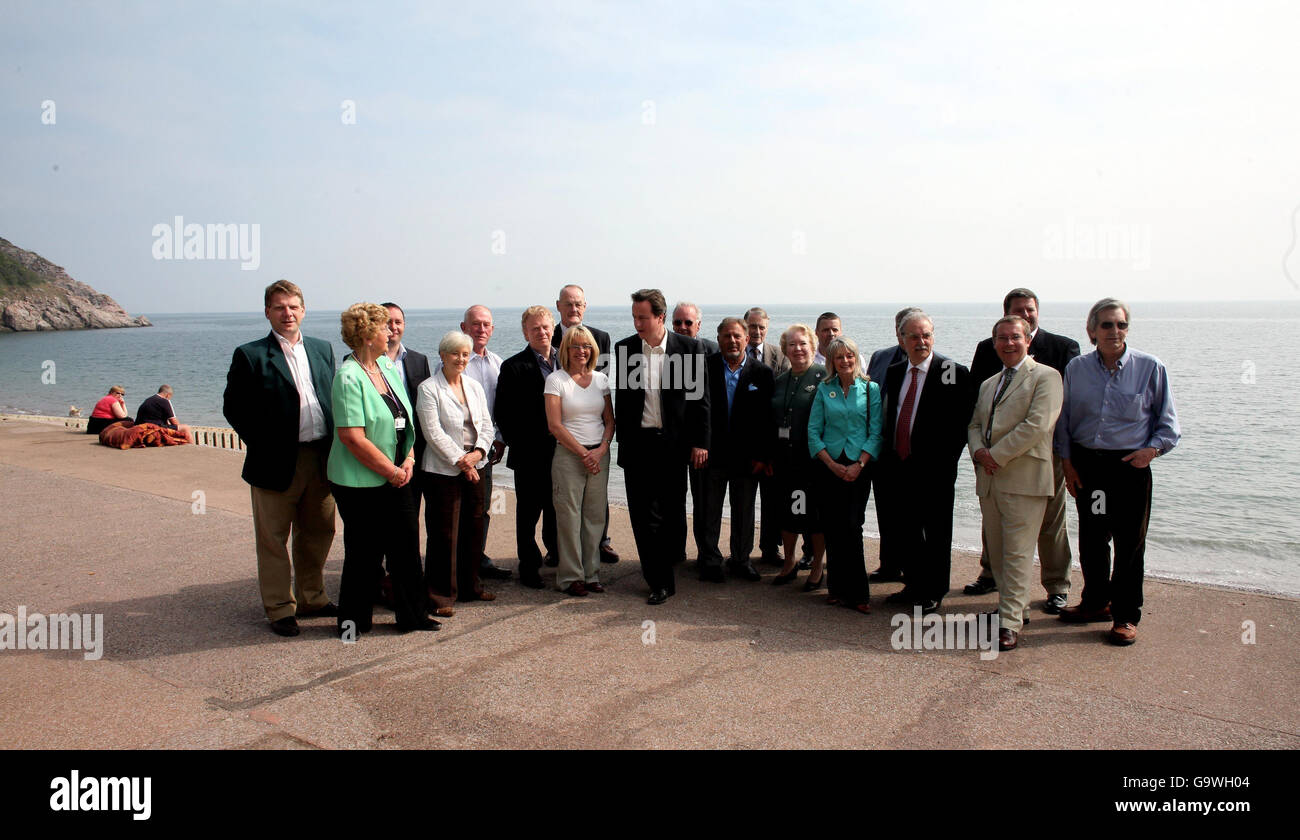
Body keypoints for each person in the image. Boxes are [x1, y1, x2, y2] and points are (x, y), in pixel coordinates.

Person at [1055, 299, 1180, 646]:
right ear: (1091, 330)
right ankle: (1095, 603)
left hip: (1129, 470)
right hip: (1090, 469)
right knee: (1093, 540)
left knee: (1129, 545)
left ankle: (1125, 615)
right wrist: (1067, 464)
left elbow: (1168, 425)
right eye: (1107, 325)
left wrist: (1151, 451)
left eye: (1121, 325)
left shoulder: (1150, 367)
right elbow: (1064, 422)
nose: (1115, 331)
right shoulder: (1076, 369)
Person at [223, 279, 337, 637]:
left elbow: (329, 396)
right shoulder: (251, 354)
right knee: (273, 538)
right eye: (279, 307)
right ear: (268, 312)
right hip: (274, 462)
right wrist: (263, 442)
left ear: (303, 310)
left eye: (293, 306)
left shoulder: (322, 349)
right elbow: (234, 408)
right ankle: (279, 607)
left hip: (321, 457)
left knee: (319, 531)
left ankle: (312, 597)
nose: (287, 313)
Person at [964, 288, 1080, 607]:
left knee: (1051, 523)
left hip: (1043, 454)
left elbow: (1062, 408)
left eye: (1030, 309)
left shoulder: (1063, 347)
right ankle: (992, 576)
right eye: (1019, 310)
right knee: (996, 523)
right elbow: (977, 400)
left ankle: (1057, 585)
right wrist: (982, 452)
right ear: (1005, 314)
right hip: (991, 458)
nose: (1026, 314)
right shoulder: (988, 348)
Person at [327, 303, 436, 635]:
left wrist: (410, 459)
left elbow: (405, 420)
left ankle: (413, 616)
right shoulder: (348, 377)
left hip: (399, 474)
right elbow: (352, 437)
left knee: (405, 549)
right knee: (364, 553)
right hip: (360, 481)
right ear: (366, 333)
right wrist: (390, 471)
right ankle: (353, 623)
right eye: (383, 326)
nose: (391, 330)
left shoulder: (386, 368)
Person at [967, 316, 1063, 652]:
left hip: (1024, 478)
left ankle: (1008, 624)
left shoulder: (1047, 377)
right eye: (1002, 338)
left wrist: (997, 455)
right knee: (998, 551)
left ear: (1027, 341)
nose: (1008, 343)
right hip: (990, 480)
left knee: (1018, 553)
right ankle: (1016, 609)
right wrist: (979, 451)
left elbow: (1037, 425)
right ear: (994, 343)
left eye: (1015, 337)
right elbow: (975, 423)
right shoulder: (988, 383)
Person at [613, 288, 710, 605]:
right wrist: (623, 444)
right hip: (638, 445)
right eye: (634, 317)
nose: (637, 323)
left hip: (673, 446)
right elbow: (624, 404)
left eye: (643, 317)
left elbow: (700, 402)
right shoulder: (626, 349)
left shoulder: (689, 349)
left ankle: (665, 571)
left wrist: (700, 442)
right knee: (643, 516)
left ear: (660, 317)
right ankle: (658, 581)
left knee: (669, 513)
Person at [879, 312, 975, 614]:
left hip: (935, 470)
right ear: (901, 339)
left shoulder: (952, 371)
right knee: (906, 530)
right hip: (899, 465)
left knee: (936, 532)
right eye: (914, 336)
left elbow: (962, 425)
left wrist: (945, 462)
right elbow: (892, 415)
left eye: (926, 335)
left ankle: (934, 590)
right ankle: (914, 584)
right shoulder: (895, 372)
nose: (921, 342)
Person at [417, 331, 497, 609]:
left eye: (465, 354)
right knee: (444, 534)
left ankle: (470, 586)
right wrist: (462, 461)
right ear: (442, 356)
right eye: (455, 353)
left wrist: (477, 454)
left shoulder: (474, 386)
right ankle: (440, 595)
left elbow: (486, 425)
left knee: (473, 529)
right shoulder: (429, 388)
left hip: (477, 465)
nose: (461, 359)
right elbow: (432, 433)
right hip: (442, 472)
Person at [807, 336, 883, 614]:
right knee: (833, 527)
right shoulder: (825, 390)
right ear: (832, 361)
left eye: (849, 356)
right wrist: (831, 464)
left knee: (852, 526)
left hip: (858, 467)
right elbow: (813, 432)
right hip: (830, 467)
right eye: (839, 357)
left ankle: (859, 593)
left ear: (856, 358)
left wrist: (859, 464)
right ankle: (837, 590)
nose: (845, 361)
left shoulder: (870, 388)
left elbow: (876, 432)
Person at [697, 317, 775, 583]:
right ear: (718, 339)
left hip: (747, 457)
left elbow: (768, 420)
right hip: (713, 454)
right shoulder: (704, 368)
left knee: (744, 511)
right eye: (727, 336)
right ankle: (710, 561)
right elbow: (696, 411)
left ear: (746, 338)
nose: (732, 341)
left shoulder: (762, 373)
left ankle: (741, 560)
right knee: (710, 512)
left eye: (737, 336)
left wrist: (763, 457)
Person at [544, 325, 615, 596]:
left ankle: (591, 574)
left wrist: (600, 449)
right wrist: (584, 453)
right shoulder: (556, 380)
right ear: (566, 350)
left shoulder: (601, 380)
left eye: (586, 346)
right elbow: (555, 425)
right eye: (575, 346)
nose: (581, 351)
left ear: (593, 350)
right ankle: (570, 577)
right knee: (569, 517)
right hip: (569, 456)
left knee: (594, 517)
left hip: (599, 456)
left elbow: (609, 421)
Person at [552, 285, 620, 564]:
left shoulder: (600, 338)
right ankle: (559, 554)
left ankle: (599, 545)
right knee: (563, 506)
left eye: (578, 304)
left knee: (594, 504)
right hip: (563, 434)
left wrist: (601, 447)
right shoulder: (550, 335)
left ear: (585, 306)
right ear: (559, 306)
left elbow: (598, 386)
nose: (574, 309)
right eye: (568, 304)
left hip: (595, 438)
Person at [496, 306, 561, 588]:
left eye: (546, 327)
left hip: (563, 452)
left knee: (558, 508)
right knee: (528, 514)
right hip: (530, 455)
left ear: (553, 328)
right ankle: (529, 566)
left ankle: (557, 555)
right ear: (525, 332)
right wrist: (525, 442)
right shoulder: (512, 366)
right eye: (535, 328)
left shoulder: (566, 359)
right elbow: (504, 414)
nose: (542, 332)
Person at [770, 324, 827, 589]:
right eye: (792, 344)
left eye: (803, 343)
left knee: (814, 517)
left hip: (814, 462)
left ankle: (817, 567)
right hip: (786, 462)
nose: (798, 349)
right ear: (785, 349)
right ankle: (789, 562)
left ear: (812, 347)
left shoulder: (825, 377)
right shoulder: (781, 379)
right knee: (789, 513)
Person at [459, 305, 511, 581]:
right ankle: (459, 563)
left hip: (488, 449)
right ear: (463, 327)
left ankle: (477, 558)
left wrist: (500, 440)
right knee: (458, 509)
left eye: (486, 325)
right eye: (476, 324)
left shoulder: (498, 364)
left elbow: (501, 407)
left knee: (482, 507)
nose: (481, 329)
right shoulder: (454, 362)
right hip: (459, 450)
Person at [742, 306, 789, 566]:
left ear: (767, 327)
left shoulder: (780, 355)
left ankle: (771, 548)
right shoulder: (737, 353)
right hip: (745, 442)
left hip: (773, 441)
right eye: (752, 326)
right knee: (745, 502)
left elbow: (781, 401)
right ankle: (742, 552)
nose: (757, 331)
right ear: (745, 326)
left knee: (773, 501)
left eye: (761, 327)